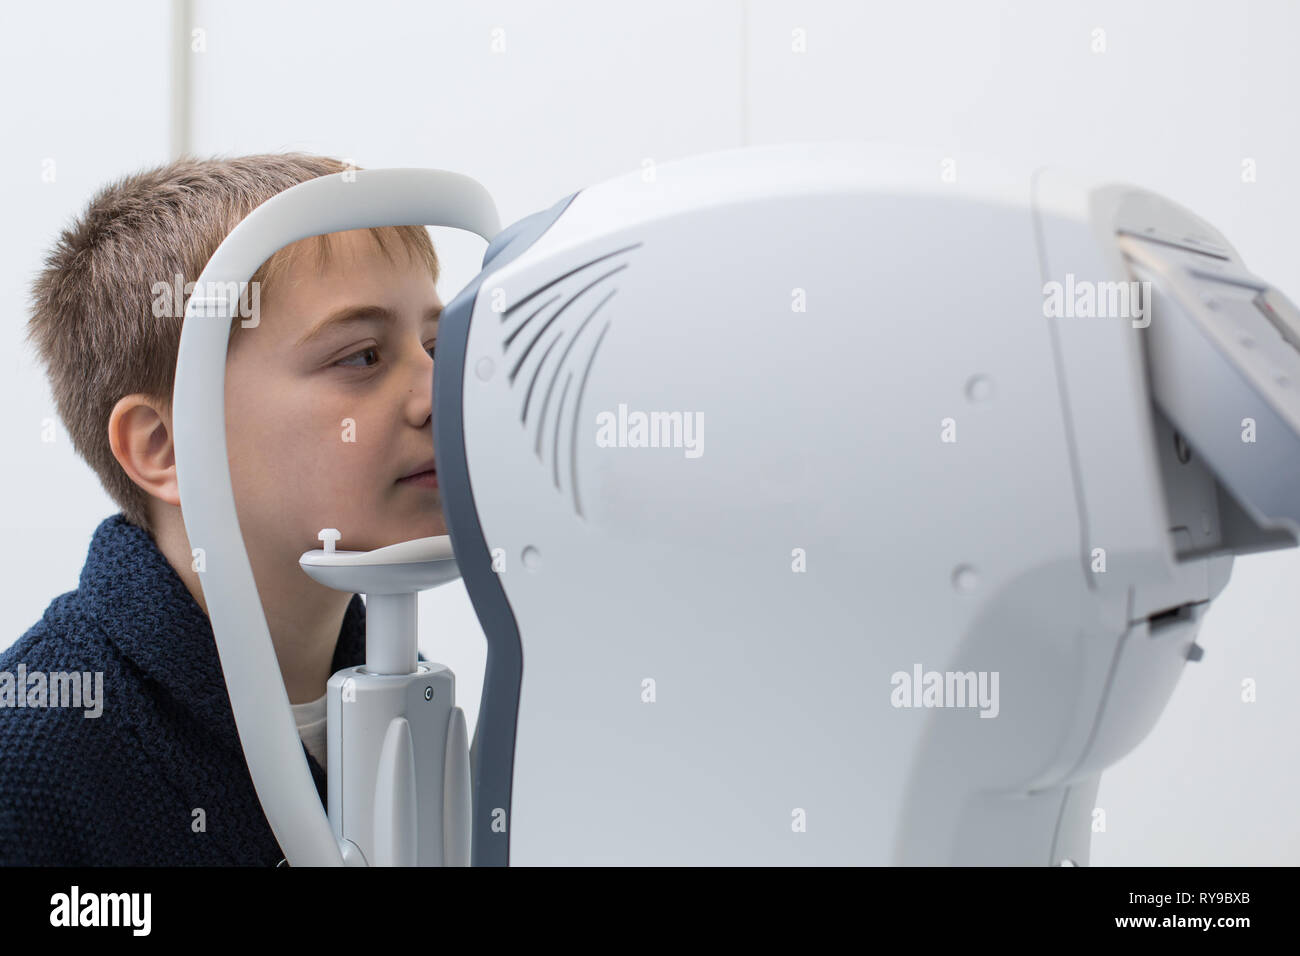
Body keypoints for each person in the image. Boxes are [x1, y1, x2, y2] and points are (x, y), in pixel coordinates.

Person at [0, 154, 446, 864]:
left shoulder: (403, 691)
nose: (438, 394)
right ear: (165, 446)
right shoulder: (34, 745)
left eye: (435, 344)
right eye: (362, 356)